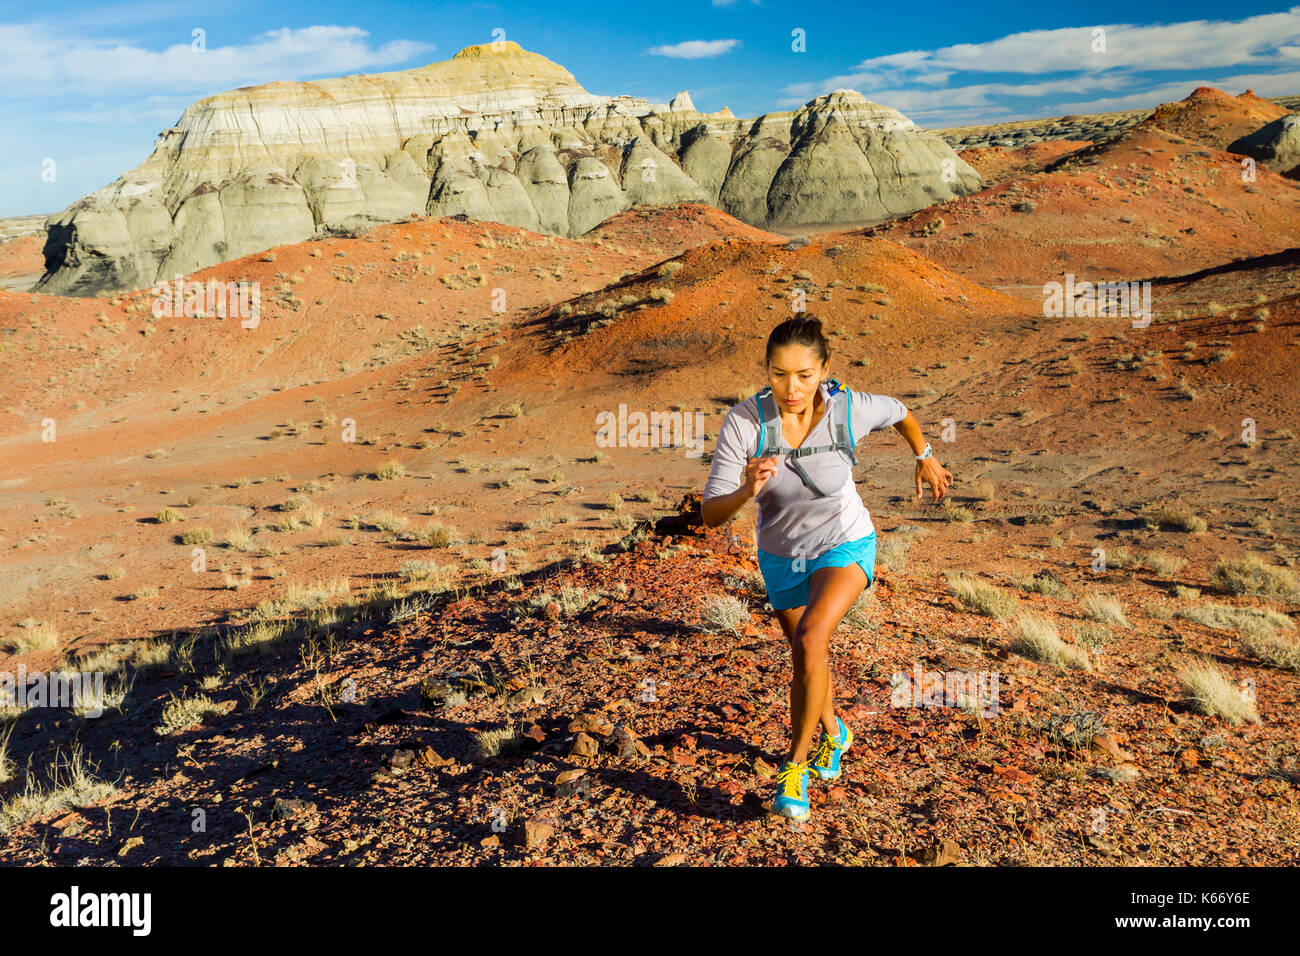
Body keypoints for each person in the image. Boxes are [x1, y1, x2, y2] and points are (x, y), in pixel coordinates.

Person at [700, 316, 953, 821]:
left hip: (845, 541)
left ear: (824, 370)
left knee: (813, 639)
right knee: (806, 657)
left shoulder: (850, 409)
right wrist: (746, 490)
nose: (791, 388)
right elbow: (710, 515)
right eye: (778, 374)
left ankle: (794, 770)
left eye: (804, 375)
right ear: (766, 371)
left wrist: (924, 455)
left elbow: (902, 413)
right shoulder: (745, 424)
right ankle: (835, 731)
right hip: (780, 554)